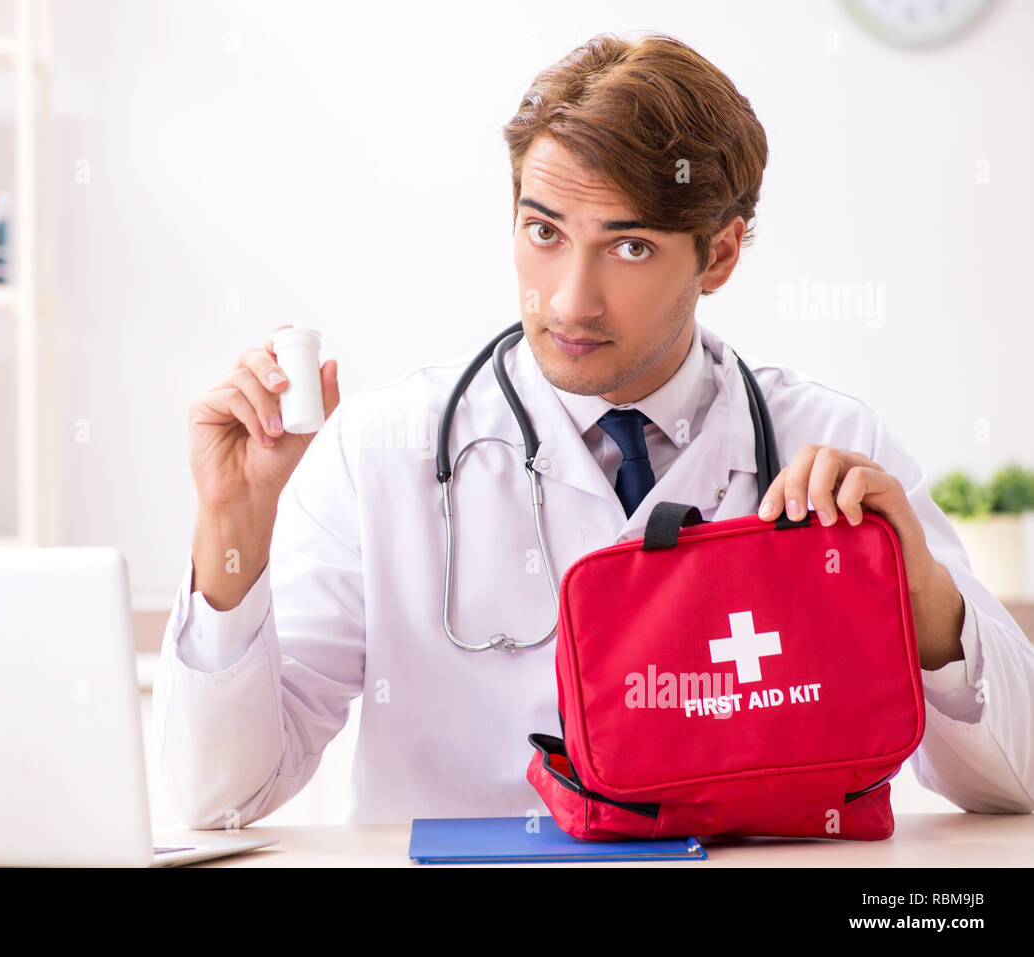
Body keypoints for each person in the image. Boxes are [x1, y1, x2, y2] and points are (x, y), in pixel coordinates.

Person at [153, 32, 1033, 828]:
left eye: (630, 246)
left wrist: (912, 588)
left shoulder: (832, 446)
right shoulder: (386, 451)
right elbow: (219, 794)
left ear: (719, 253)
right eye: (543, 232)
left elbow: (1015, 785)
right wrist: (233, 530)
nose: (569, 300)